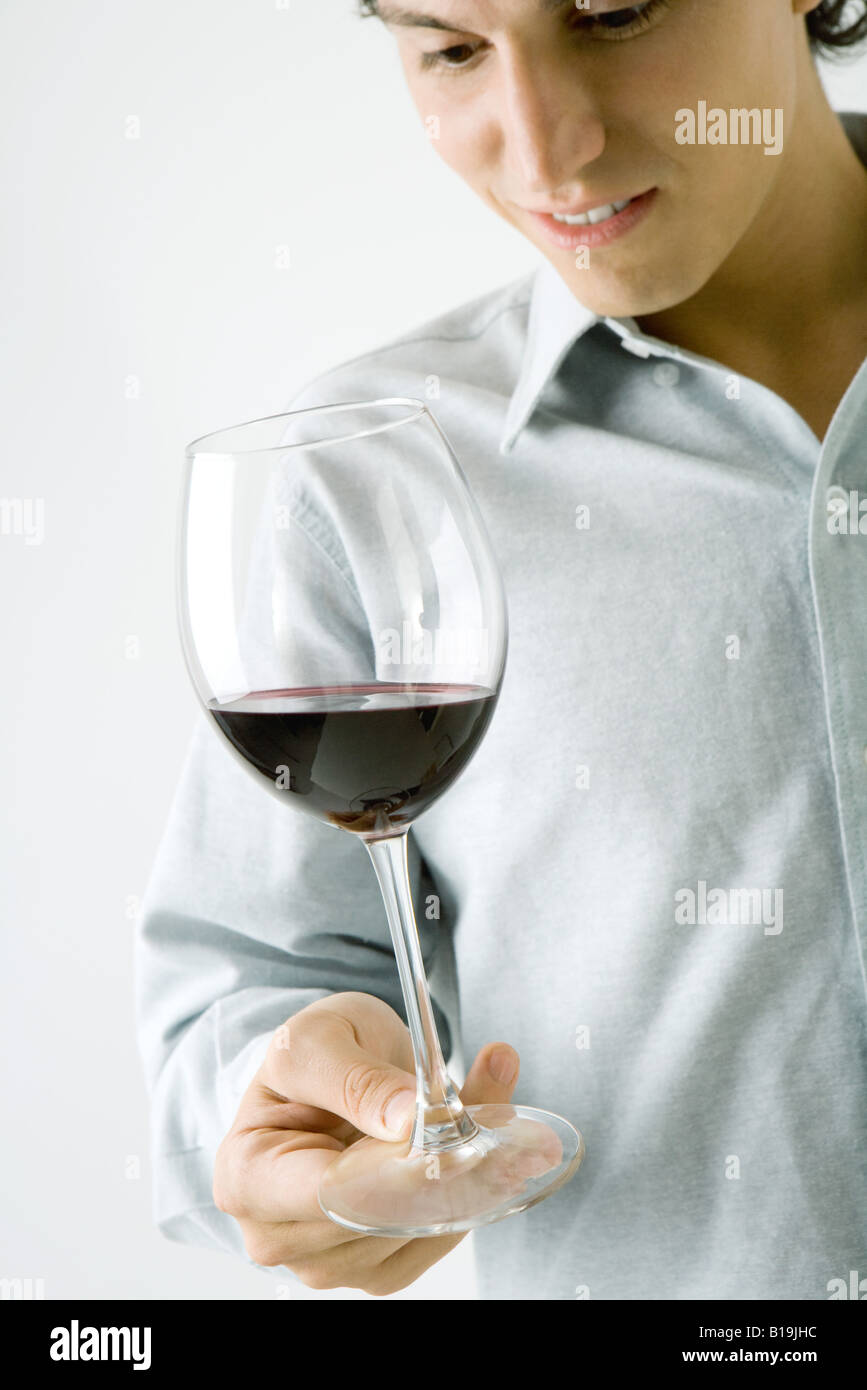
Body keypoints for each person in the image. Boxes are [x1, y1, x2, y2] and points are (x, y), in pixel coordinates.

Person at [135, 0, 867, 1299]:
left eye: (614, 11)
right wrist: (284, 1115)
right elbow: (229, 1010)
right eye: (453, 46)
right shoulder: (374, 473)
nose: (544, 152)